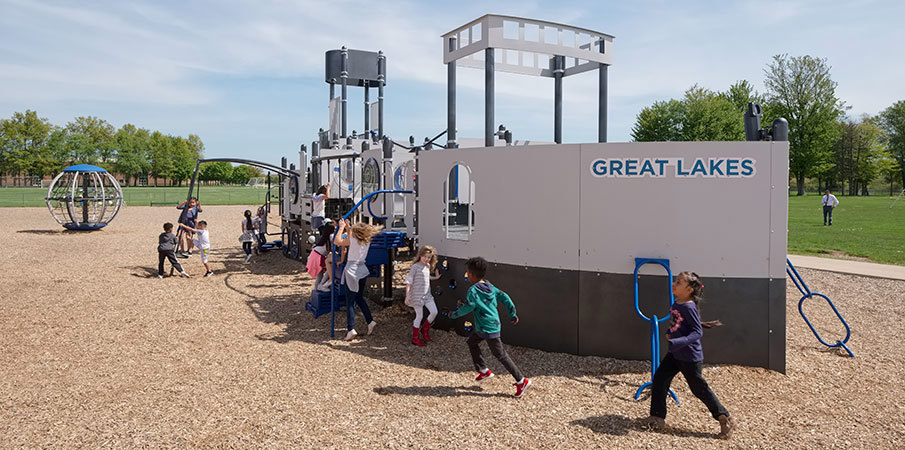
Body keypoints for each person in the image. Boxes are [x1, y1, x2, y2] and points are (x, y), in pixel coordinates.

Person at [641, 272, 734, 439]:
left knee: (699, 389)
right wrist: (671, 333)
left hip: (689, 357)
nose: (674, 284)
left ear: (689, 289)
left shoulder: (689, 306)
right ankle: (657, 417)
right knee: (660, 379)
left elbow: (697, 332)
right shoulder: (678, 303)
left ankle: (723, 417)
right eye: (675, 280)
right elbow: (679, 324)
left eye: (678, 282)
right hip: (675, 355)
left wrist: (678, 341)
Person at [450, 257, 531, 398]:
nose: (467, 275)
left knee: (501, 355)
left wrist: (454, 314)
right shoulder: (489, 286)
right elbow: (505, 297)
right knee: (472, 342)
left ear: (472, 275)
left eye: (467, 273)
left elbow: (469, 307)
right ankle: (483, 371)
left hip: (488, 328)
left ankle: (521, 380)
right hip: (487, 326)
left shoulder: (473, 291)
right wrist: (512, 314)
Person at [333, 218, 380, 341]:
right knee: (359, 297)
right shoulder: (366, 241)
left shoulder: (353, 241)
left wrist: (341, 227)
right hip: (362, 270)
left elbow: (337, 241)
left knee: (350, 301)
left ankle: (351, 329)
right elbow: (352, 240)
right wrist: (349, 229)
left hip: (352, 271)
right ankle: (370, 321)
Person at [405, 245, 441, 346]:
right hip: (417, 295)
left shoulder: (427, 266)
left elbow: (426, 277)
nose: (427, 259)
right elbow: (409, 281)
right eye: (425, 256)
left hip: (427, 295)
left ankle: (424, 329)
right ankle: (415, 338)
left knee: (434, 312)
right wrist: (407, 296)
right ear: (420, 255)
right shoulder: (415, 267)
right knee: (419, 316)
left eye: (429, 257)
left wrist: (436, 277)